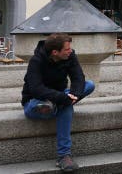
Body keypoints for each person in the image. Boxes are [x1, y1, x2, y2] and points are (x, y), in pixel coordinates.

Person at [21, 33, 94, 172]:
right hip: (36, 99)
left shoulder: (70, 56)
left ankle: (53, 106)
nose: (70, 51)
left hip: (61, 96)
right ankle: (64, 156)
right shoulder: (36, 61)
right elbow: (36, 89)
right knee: (64, 107)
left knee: (89, 84)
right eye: (67, 49)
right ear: (55, 52)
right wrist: (63, 99)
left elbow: (79, 78)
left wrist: (72, 95)